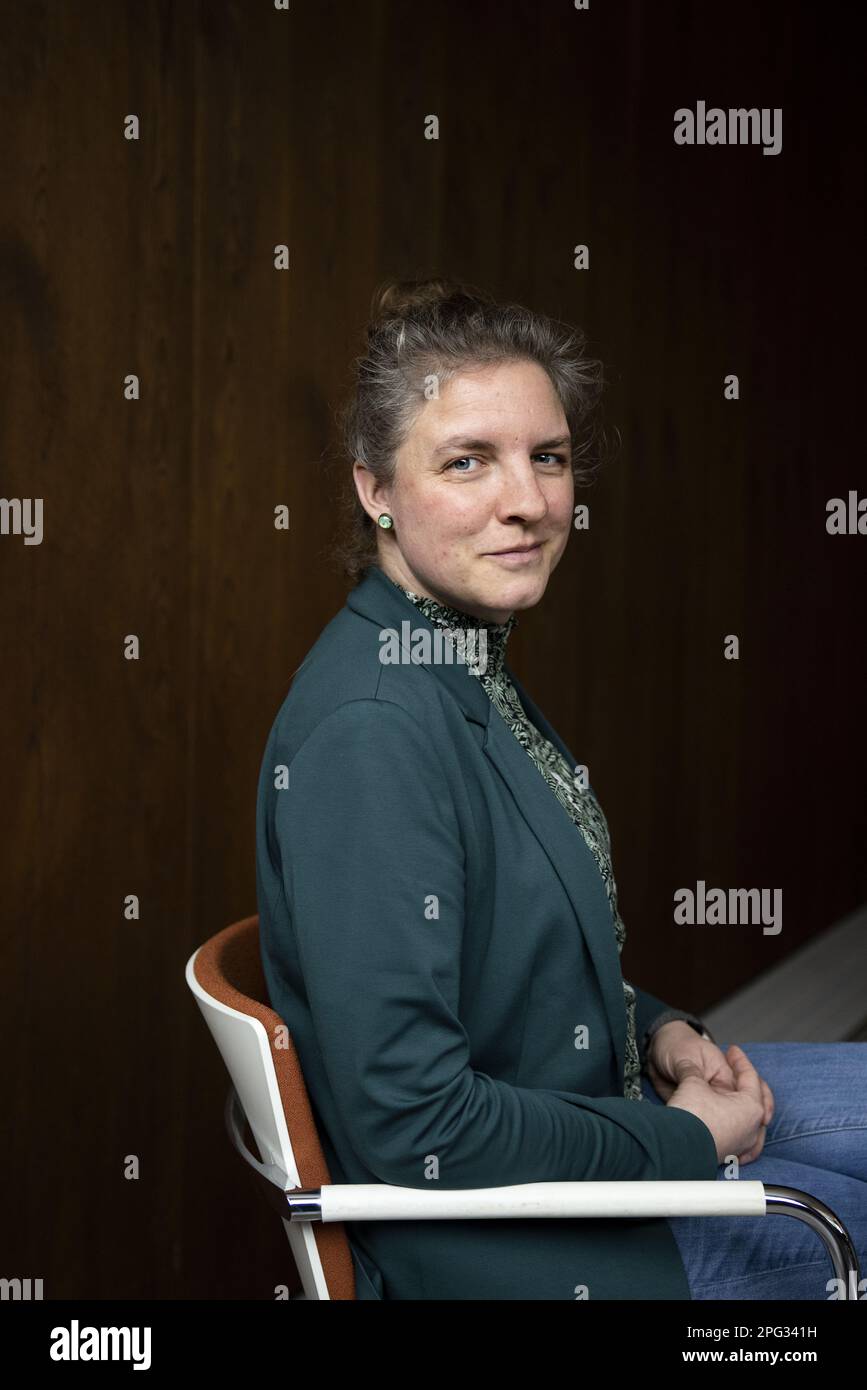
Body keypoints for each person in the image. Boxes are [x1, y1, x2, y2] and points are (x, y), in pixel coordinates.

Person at [255, 277, 867, 1300]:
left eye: (549, 457)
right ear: (375, 490)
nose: (529, 501)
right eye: (468, 462)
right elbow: (416, 1125)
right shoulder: (372, 728)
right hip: (525, 1249)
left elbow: (515, 953)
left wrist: (663, 1027)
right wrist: (676, 1138)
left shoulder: (454, 663)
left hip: (599, 1100)